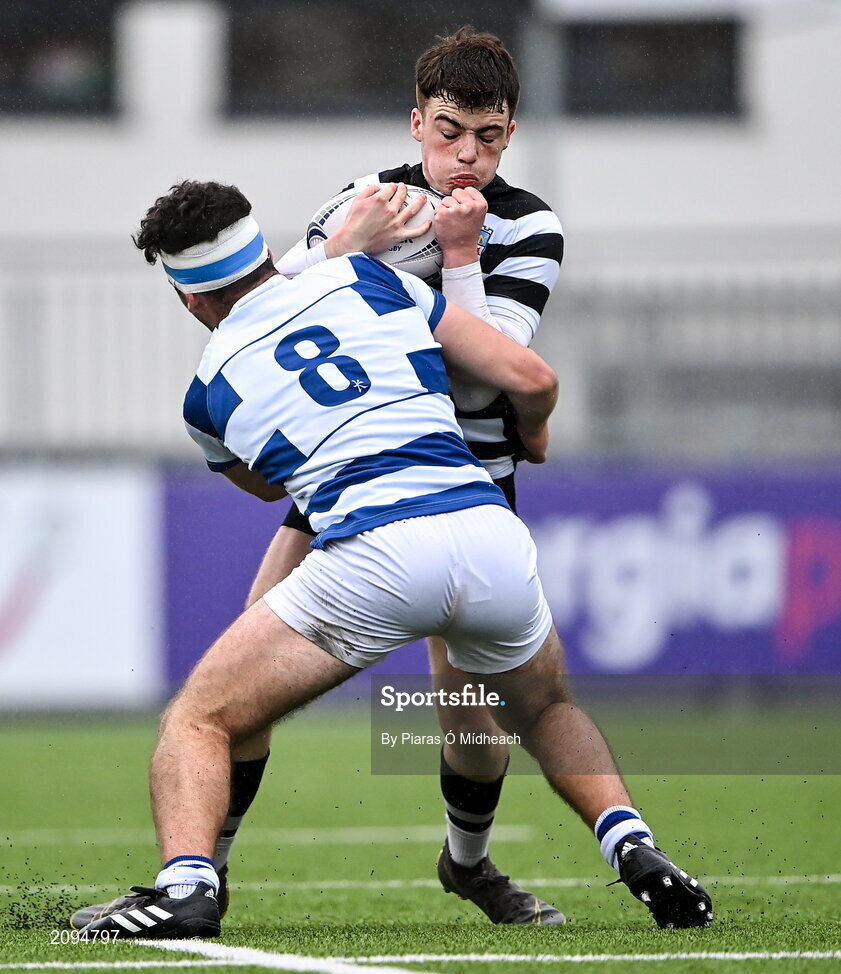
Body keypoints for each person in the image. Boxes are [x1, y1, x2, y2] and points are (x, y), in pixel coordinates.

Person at [70, 30, 711, 932]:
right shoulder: (360, 202)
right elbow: (278, 304)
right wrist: (345, 249)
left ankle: (469, 866)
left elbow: (493, 369)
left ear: (511, 136)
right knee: (245, 684)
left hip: (462, 471)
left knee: (466, 726)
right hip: (348, 481)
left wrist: (448, 259)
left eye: (488, 137)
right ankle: (199, 871)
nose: (467, 155)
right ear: (416, 123)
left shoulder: (528, 225)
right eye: (450, 131)